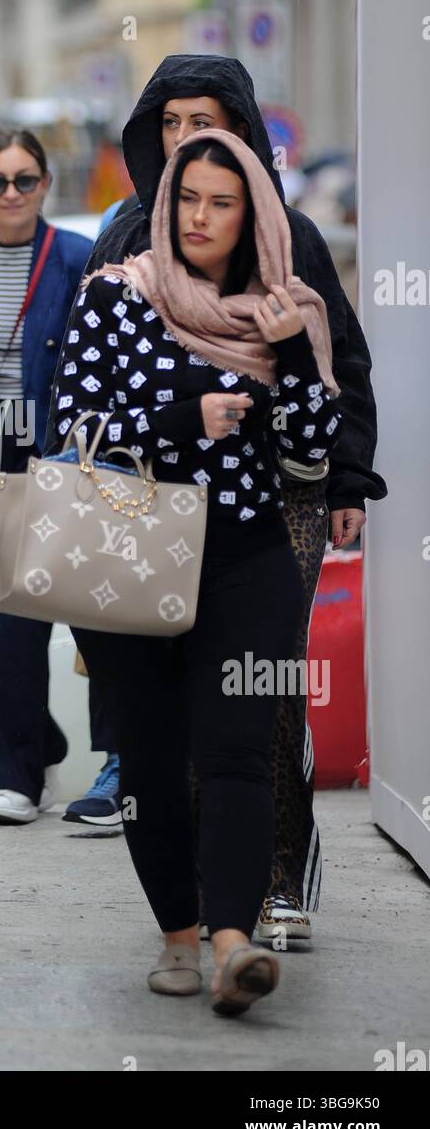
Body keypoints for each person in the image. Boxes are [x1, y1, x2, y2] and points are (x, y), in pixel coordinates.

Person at [45, 55, 386, 941]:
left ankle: (275, 884)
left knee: (264, 703)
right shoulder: (125, 241)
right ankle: (196, 905)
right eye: (170, 123)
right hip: (142, 519)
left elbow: (340, 366)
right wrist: (172, 423)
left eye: (203, 121)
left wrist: (348, 474)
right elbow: (79, 402)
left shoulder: (288, 241)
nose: (185, 140)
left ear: (239, 131)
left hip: (274, 511)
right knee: (165, 723)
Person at [0, 127, 91, 823]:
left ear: (45, 185)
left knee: (18, 618)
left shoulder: (76, 258)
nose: (12, 193)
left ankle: (10, 781)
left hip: (41, 452)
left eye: (25, 179)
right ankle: (43, 742)